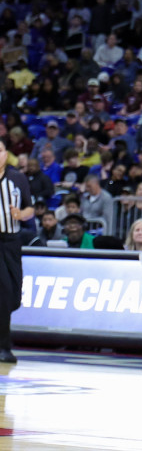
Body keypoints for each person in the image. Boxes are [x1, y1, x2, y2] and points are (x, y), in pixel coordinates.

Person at [0, 143, 33, 363]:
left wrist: (20, 214)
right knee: (2, 292)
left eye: (0, 150)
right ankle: (4, 346)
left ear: (6, 154)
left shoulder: (17, 178)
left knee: (12, 296)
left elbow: (30, 209)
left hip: (11, 241)